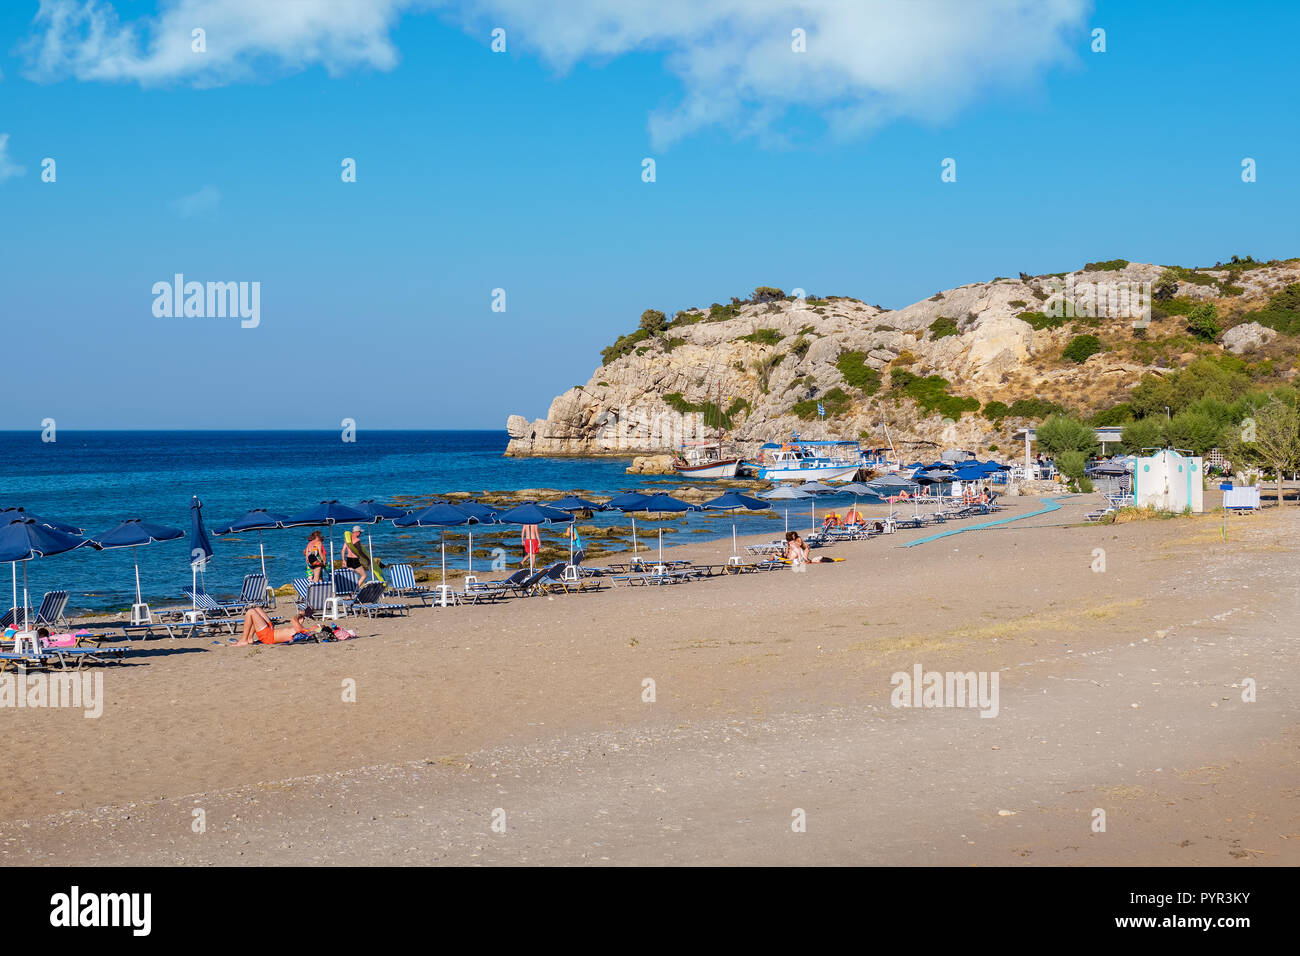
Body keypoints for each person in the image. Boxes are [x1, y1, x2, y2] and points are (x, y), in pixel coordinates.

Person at [234, 605, 315, 646]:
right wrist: (302, 616)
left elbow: (293, 620)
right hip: (271, 631)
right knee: (258, 609)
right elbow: (297, 622)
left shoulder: (303, 631)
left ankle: (244, 640)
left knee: (251, 612)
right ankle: (250, 638)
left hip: (268, 636)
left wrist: (300, 614)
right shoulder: (301, 629)